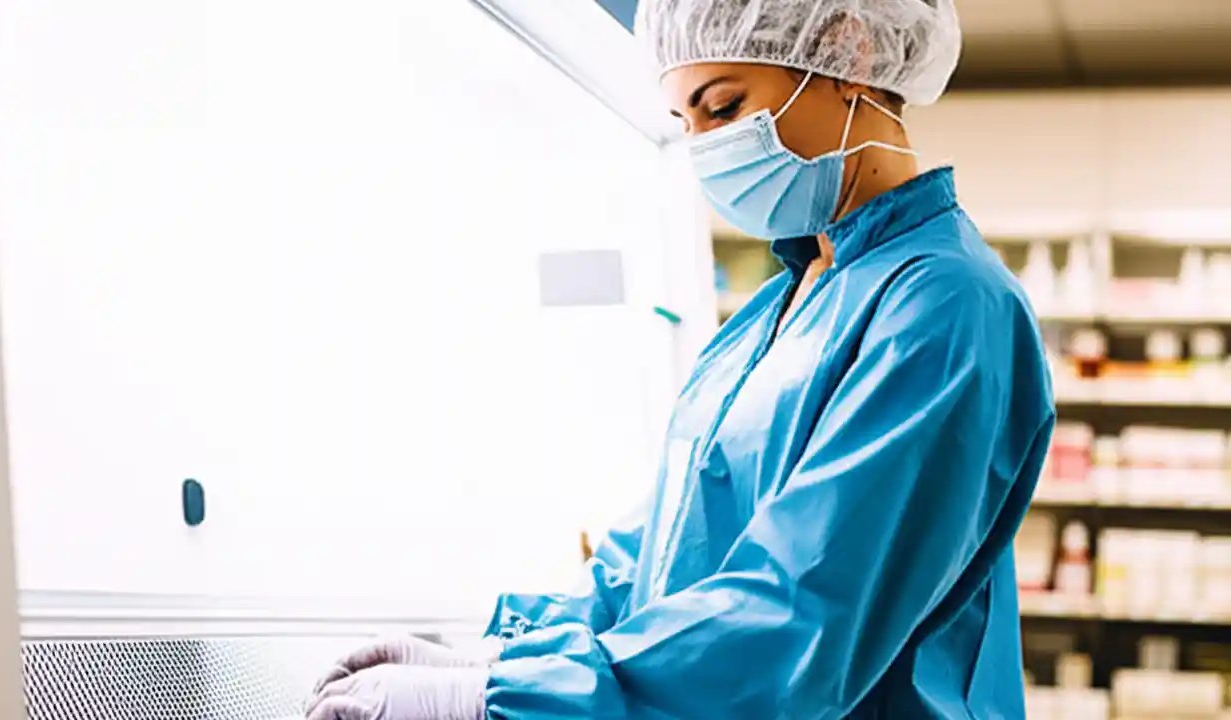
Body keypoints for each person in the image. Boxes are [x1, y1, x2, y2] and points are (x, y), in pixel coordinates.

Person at [305, 0, 1054, 717]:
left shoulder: (949, 305)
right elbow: (658, 557)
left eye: (722, 108)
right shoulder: (777, 307)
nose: (705, 149)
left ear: (847, 51)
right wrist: (502, 658)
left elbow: (797, 621)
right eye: (684, 123)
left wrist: (499, 701)